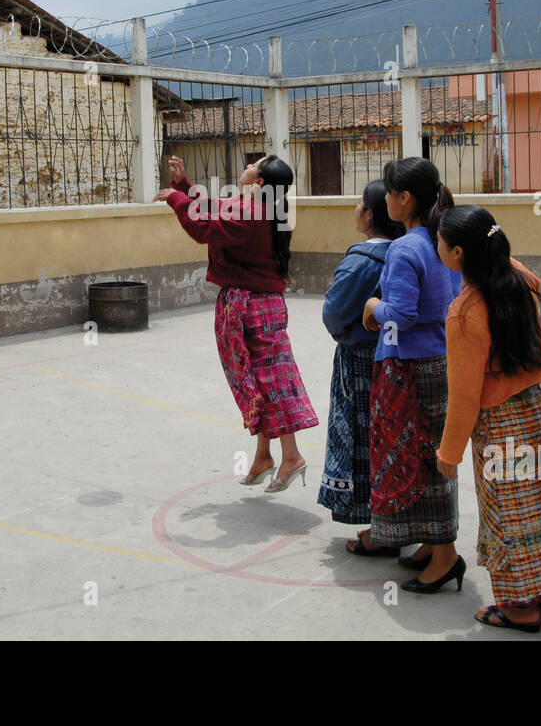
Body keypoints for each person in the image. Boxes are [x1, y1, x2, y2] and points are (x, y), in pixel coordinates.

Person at [435, 206, 541, 632]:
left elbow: (464, 396)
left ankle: (519, 605)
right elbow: (531, 280)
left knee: (509, 509)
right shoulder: (514, 274)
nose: (437, 247)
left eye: (441, 242)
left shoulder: (465, 313)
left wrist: (450, 453)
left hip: (502, 419)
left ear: (458, 253)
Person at [156, 154, 318, 492]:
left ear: (259, 182)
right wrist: (185, 187)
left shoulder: (252, 211)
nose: (248, 165)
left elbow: (203, 227)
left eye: (254, 164)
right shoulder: (259, 204)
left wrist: (175, 198)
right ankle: (264, 454)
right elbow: (215, 205)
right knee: (257, 381)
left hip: (253, 305)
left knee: (270, 381)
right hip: (258, 302)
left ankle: (291, 456)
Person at [350, 158, 464, 593]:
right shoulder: (440, 241)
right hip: (440, 360)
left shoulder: (404, 248)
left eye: (391, 192)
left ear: (405, 199)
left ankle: (446, 555)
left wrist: (373, 308)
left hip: (409, 368)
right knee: (433, 457)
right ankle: (433, 545)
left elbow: (400, 315)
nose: (385, 199)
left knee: (418, 460)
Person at [318, 181, 404, 530]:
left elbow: (334, 314)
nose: (356, 210)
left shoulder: (361, 259)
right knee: (389, 437)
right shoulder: (407, 252)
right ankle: (392, 517)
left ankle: (371, 521)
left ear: (369, 215)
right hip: (396, 359)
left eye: (359, 205)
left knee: (360, 437)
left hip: (358, 361)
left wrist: (348, 333)